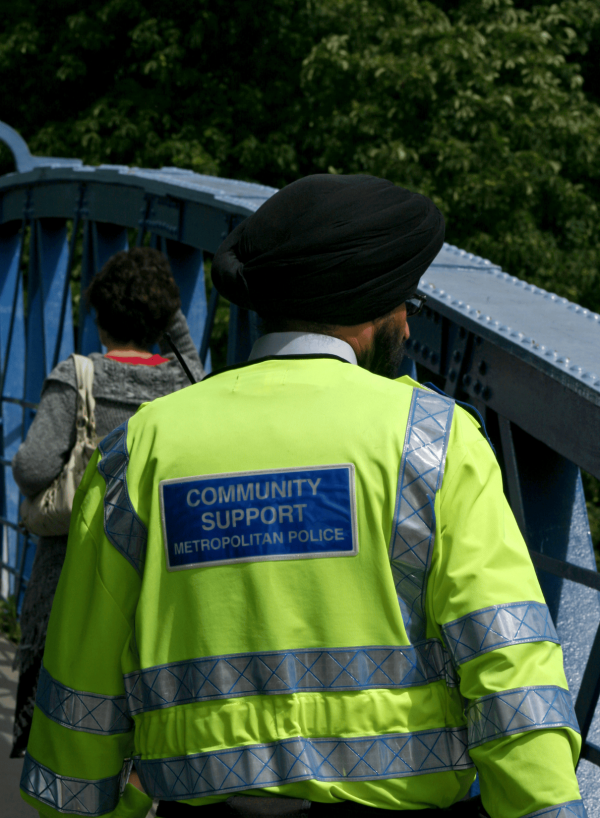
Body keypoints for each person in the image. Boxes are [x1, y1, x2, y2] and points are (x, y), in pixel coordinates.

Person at [20, 176, 585, 818]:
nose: (407, 320)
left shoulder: (142, 449)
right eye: (406, 302)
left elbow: (81, 682)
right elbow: (508, 660)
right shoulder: (432, 441)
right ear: (375, 306)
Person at [11, 246, 204, 758]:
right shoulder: (185, 386)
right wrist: (166, 305)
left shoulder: (79, 375)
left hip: (71, 578)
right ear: (162, 318)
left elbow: (32, 467)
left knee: (63, 738)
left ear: (100, 318)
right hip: (157, 586)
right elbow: (187, 351)